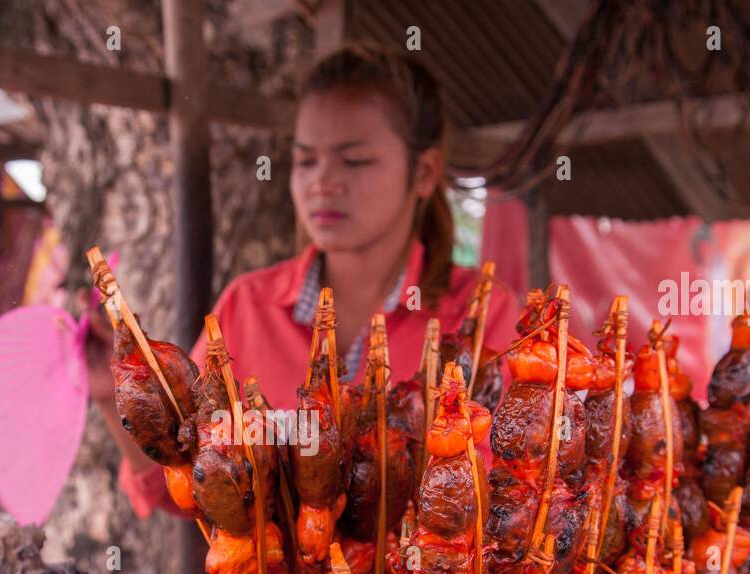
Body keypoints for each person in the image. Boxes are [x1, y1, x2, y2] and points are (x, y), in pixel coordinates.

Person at [86, 43, 515, 517]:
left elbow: (509, 498)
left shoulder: (482, 317)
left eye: (354, 160)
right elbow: (189, 486)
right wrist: (114, 397)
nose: (323, 181)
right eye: (307, 160)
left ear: (425, 172)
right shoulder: (246, 307)